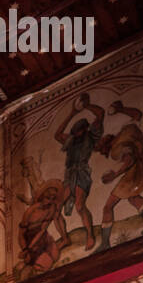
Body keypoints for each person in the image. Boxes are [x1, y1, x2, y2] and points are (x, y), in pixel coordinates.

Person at [95, 100, 143, 249]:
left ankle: (104, 243)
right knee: (133, 197)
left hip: (136, 168)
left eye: (101, 147)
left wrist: (114, 175)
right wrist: (121, 109)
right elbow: (137, 114)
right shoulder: (128, 130)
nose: (102, 152)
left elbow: (129, 160)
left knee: (108, 206)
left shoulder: (117, 146)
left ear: (107, 141)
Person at [53, 94, 104, 249]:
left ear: (85, 129)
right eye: (74, 133)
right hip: (69, 175)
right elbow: (57, 134)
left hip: (81, 173)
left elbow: (100, 114)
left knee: (80, 206)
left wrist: (86, 106)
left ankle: (90, 235)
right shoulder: (71, 140)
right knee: (56, 210)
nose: (76, 135)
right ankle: (65, 238)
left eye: (78, 132)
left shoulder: (91, 136)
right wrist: (72, 113)